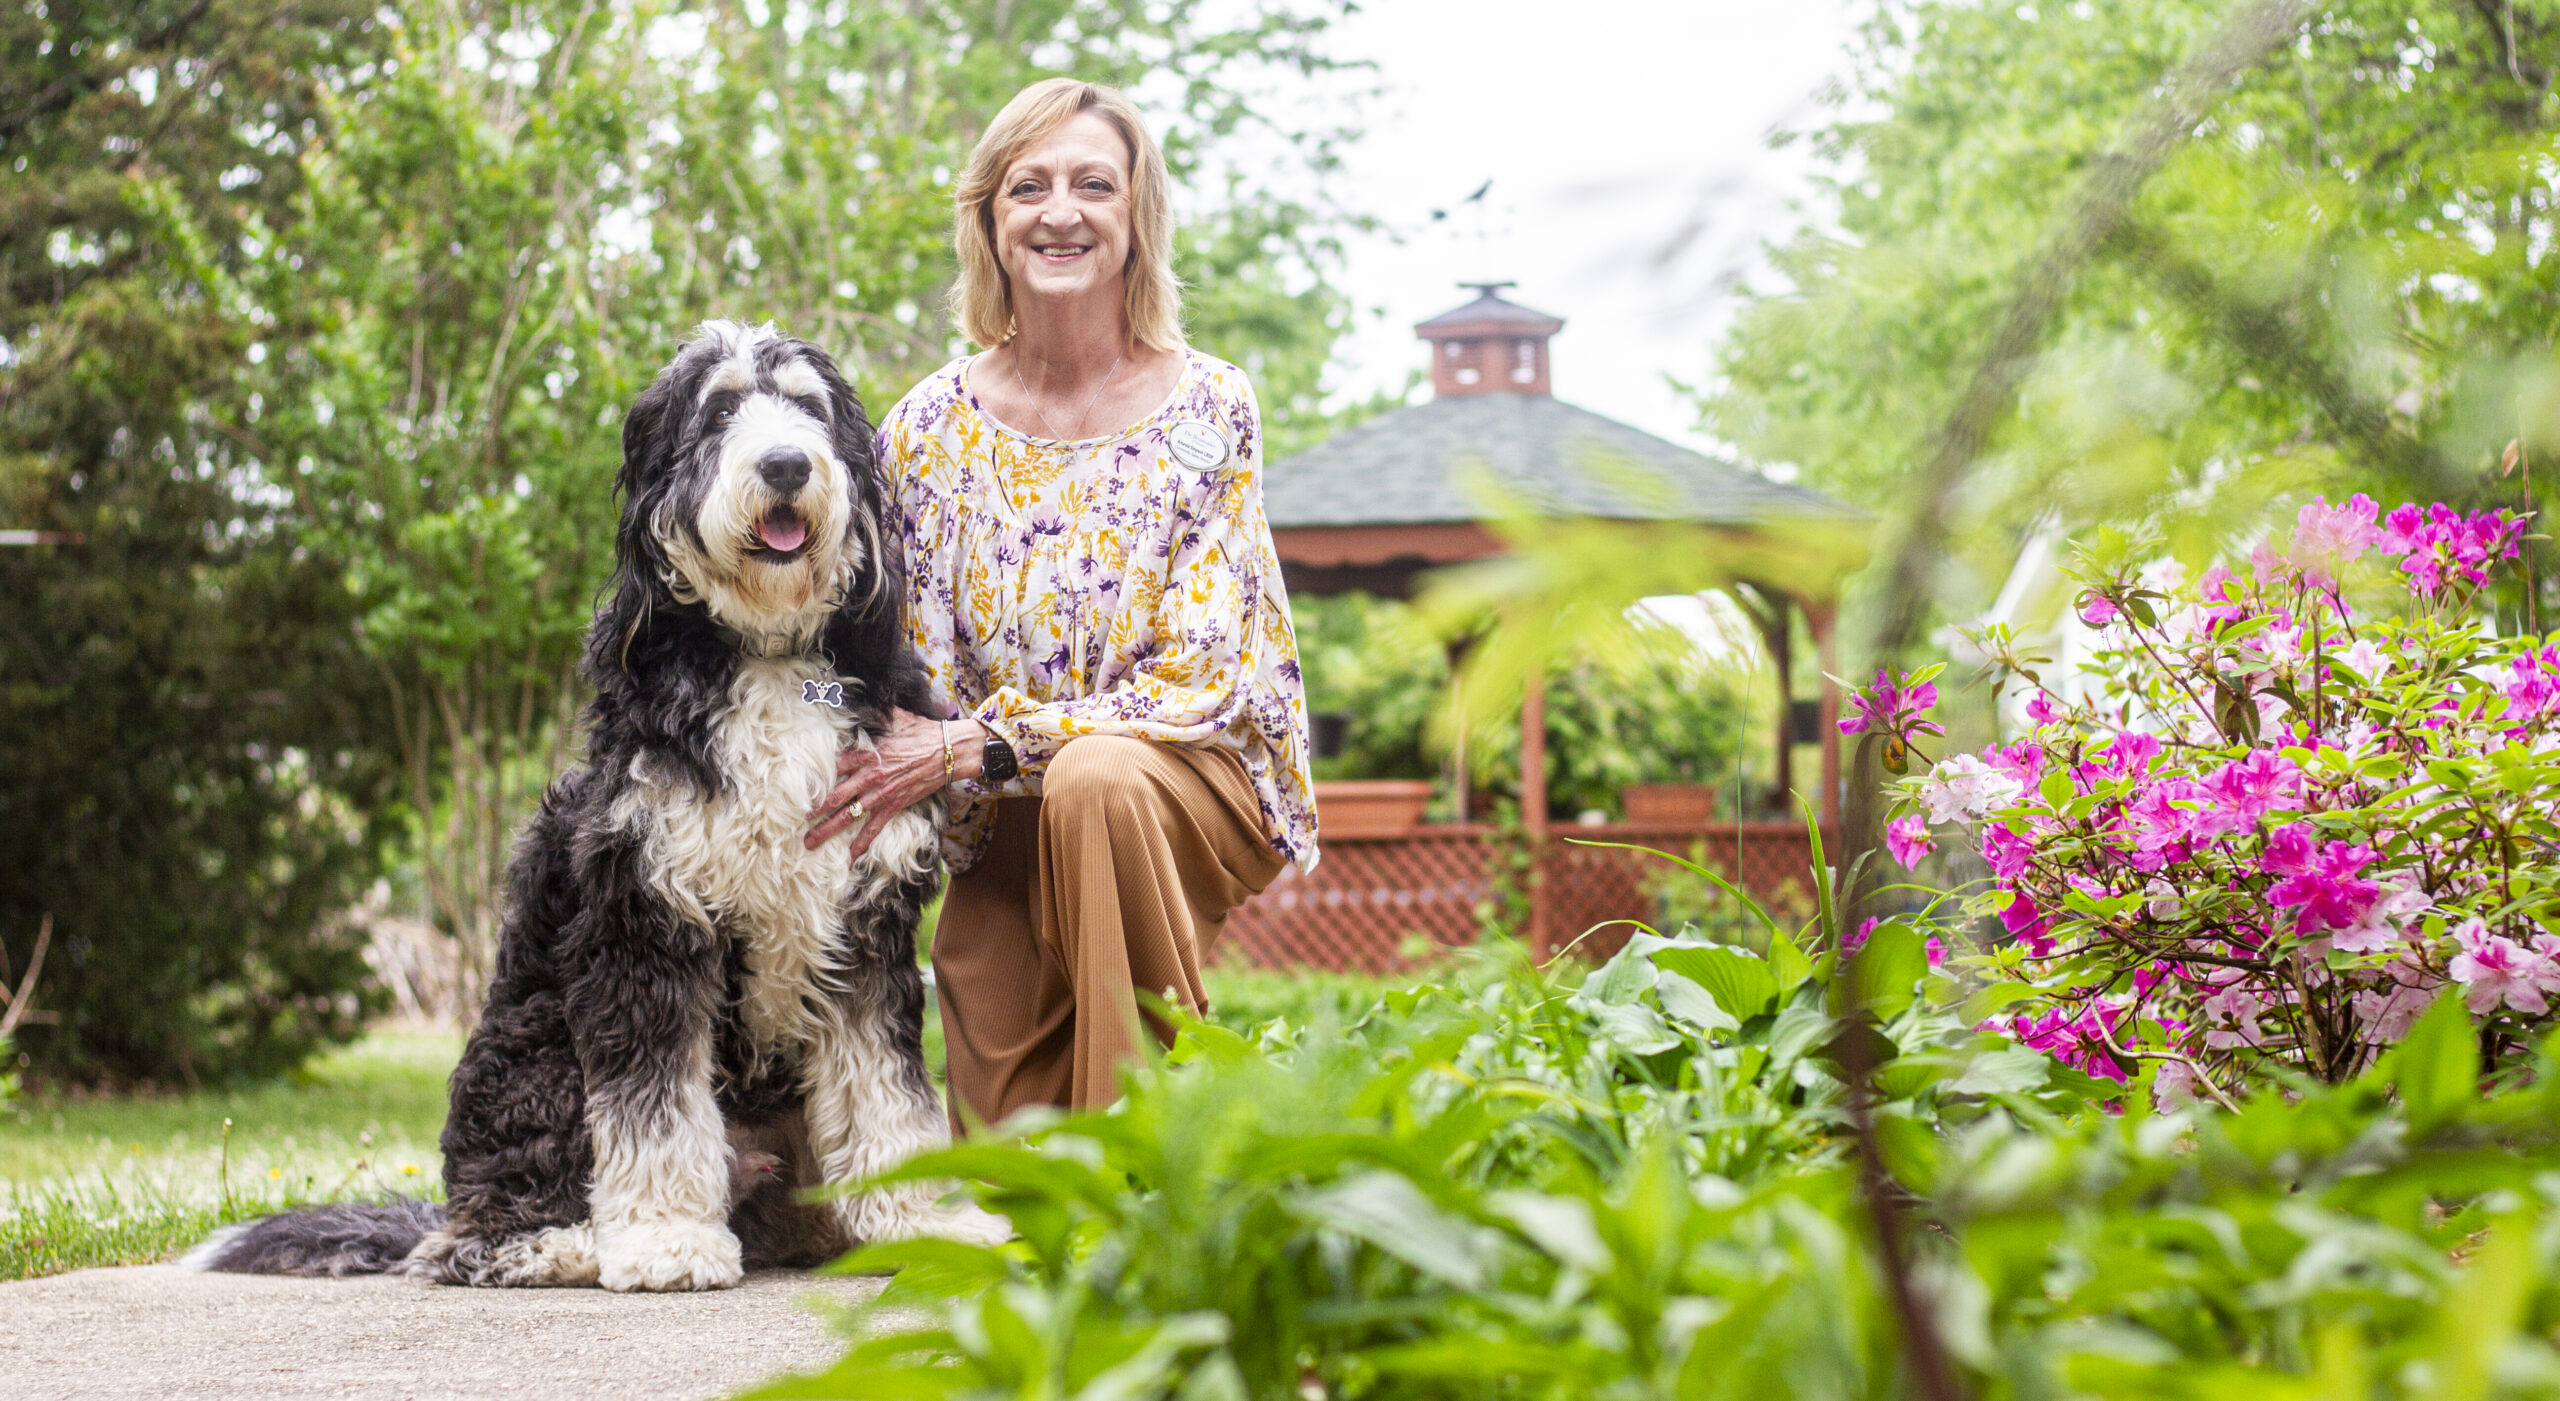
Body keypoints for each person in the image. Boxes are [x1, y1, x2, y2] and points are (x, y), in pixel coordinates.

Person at [804, 77, 1318, 1130]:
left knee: (1096, 778)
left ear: (1136, 218)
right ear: (990, 223)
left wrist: (976, 747)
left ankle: (1150, 1167)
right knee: (1007, 1175)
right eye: (1027, 187)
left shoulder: (1209, 407)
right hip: (1003, 811)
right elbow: (908, 667)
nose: (1060, 212)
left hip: (1181, 782)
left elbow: (1201, 677)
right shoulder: (927, 430)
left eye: (1094, 184)